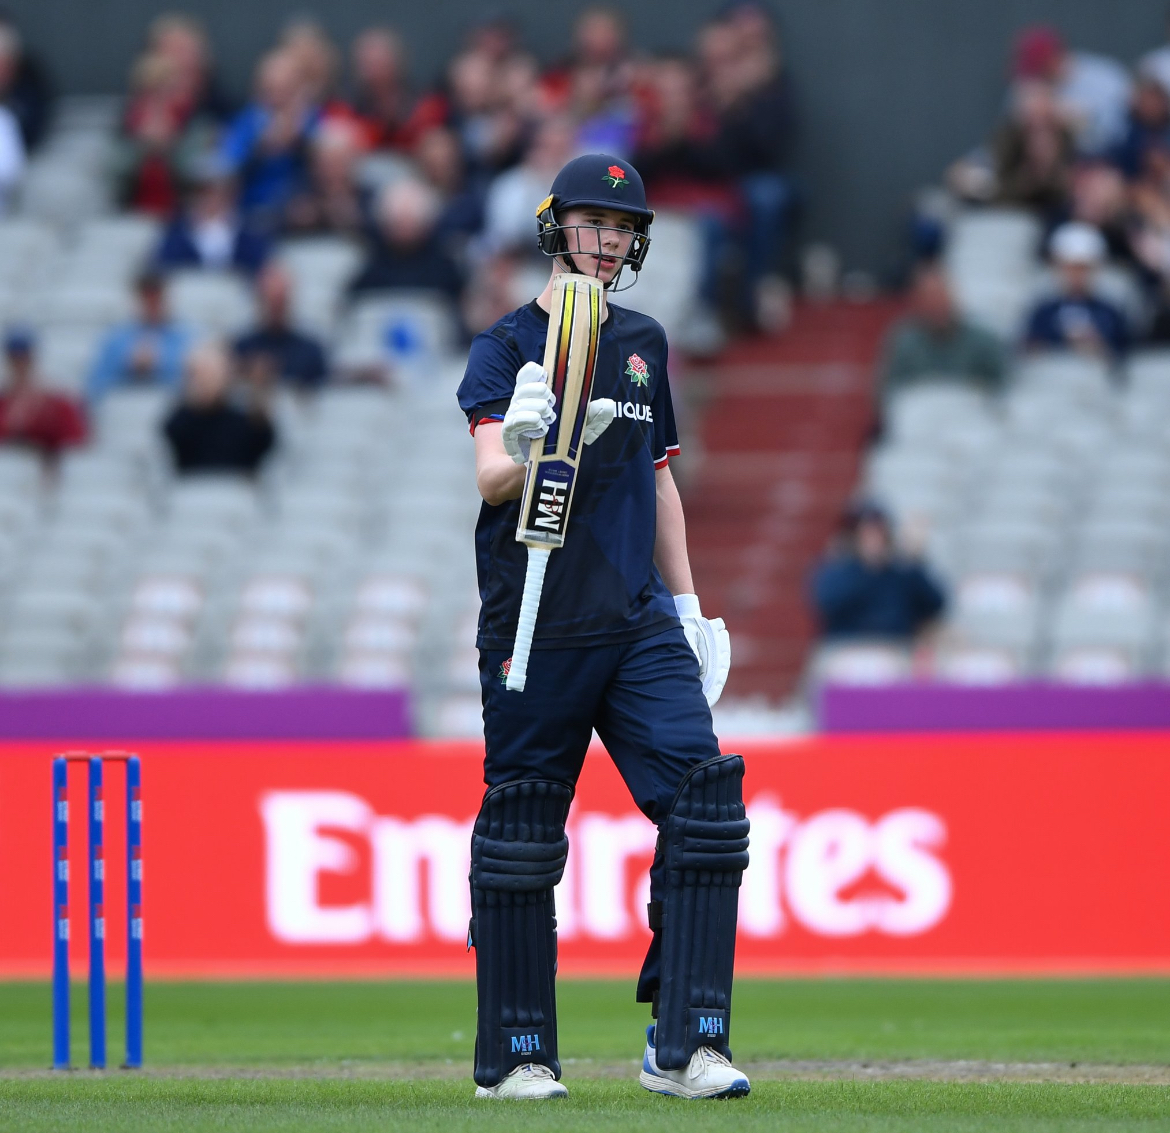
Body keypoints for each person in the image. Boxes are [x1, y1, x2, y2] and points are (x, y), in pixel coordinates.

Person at [455, 153, 747, 1102]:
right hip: (535, 623)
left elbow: (659, 481)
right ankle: (517, 1054)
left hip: (635, 620)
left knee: (707, 807)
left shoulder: (643, 341)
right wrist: (524, 442)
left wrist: (689, 606)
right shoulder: (505, 344)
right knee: (522, 835)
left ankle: (686, 1044)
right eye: (595, 223)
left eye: (624, 228)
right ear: (555, 227)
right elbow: (492, 480)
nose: (611, 240)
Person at [810, 503, 945, 642]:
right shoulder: (839, 569)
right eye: (867, 535)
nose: (874, 540)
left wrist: (915, 562)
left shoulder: (902, 573)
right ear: (856, 538)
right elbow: (825, 603)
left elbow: (935, 604)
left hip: (894, 646)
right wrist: (866, 572)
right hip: (848, 646)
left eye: (879, 534)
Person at [219, 50, 320, 224]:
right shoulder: (247, 121)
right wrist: (261, 145)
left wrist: (299, 138)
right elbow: (229, 163)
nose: (278, 96)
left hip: (302, 211)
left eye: (286, 88)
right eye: (272, 88)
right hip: (252, 211)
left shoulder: (313, 120)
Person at [880, 265, 1005, 399]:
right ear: (917, 304)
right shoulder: (904, 342)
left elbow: (1006, 384)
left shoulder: (983, 340)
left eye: (940, 299)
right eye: (930, 302)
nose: (937, 308)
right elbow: (887, 390)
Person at [163, 341, 275, 475]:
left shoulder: (247, 421)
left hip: (237, 485)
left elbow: (264, 450)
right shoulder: (178, 421)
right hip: (190, 485)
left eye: (213, 374)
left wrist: (259, 394)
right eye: (201, 374)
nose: (207, 381)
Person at [1023, 222, 1129, 358]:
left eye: (1083, 268)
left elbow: (1124, 353)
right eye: (1070, 268)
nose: (1076, 275)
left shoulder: (1110, 313)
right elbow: (1029, 350)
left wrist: (1098, 345)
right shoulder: (1043, 312)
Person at [348, 177, 463, 300]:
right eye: (396, 223)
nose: (403, 230)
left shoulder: (444, 271)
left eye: (410, 222)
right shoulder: (369, 268)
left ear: (427, 225)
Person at [86, 271, 194, 402]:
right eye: (147, 299)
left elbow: (195, 386)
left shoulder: (187, 338)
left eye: (157, 299)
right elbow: (95, 386)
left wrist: (160, 365)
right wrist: (127, 366)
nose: (152, 306)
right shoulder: (115, 339)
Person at [155, 164, 271, 274]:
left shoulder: (249, 233)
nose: (211, 199)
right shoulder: (177, 232)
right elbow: (165, 266)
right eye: (204, 193)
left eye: (218, 192)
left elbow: (258, 266)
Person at [235, 263, 328, 392]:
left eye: (280, 300)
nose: (276, 307)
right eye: (271, 300)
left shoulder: (311, 350)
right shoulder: (241, 349)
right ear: (259, 300)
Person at [0, 328, 86, 461]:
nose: (20, 365)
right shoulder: (4, 402)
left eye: (25, 358)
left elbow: (75, 444)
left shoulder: (57, 402)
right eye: (15, 359)